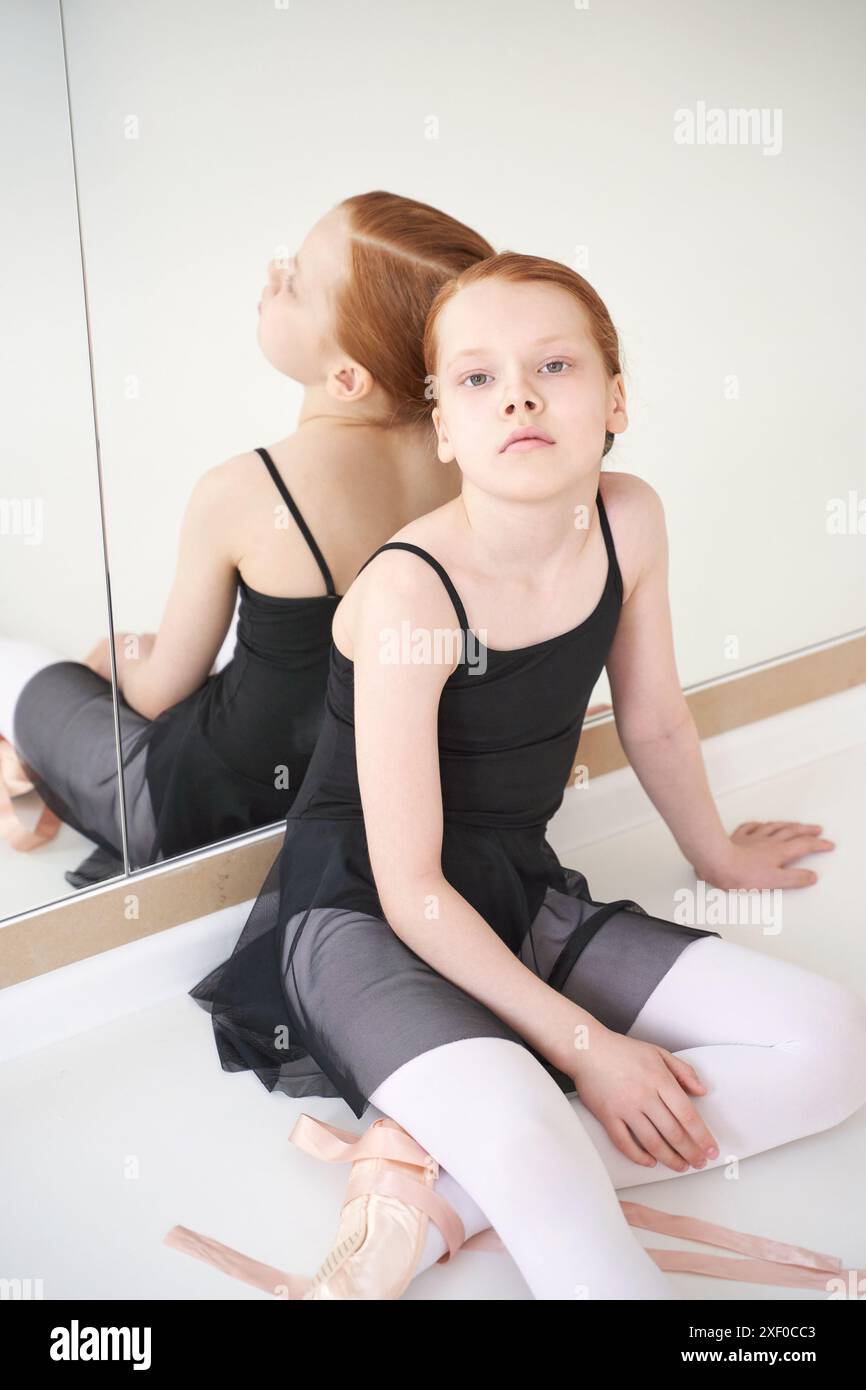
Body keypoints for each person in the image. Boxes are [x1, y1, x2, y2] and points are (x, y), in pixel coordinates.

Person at [176, 252, 866, 1300]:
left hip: (511, 888)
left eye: (553, 366)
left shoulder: (628, 518)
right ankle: (510, 1160)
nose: (520, 397)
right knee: (540, 1147)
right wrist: (589, 1047)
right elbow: (408, 889)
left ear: (614, 401)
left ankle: (435, 1196)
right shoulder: (410, 589)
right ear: (445, 427)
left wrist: (715, 853)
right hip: (362, 913)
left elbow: (654, 719)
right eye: (476, 379)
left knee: (830, 1042)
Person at [0, 191, 495, 883]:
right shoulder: (479, 479)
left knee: (12, 657)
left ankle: (24, 757)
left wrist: (108, 655)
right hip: (368, 808)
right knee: (295, 632)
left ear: (348, 377)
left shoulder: (245, 490)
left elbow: (157, 695)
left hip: (202, 818)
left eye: (292, 281)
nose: (271, 275)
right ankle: (29, 761)